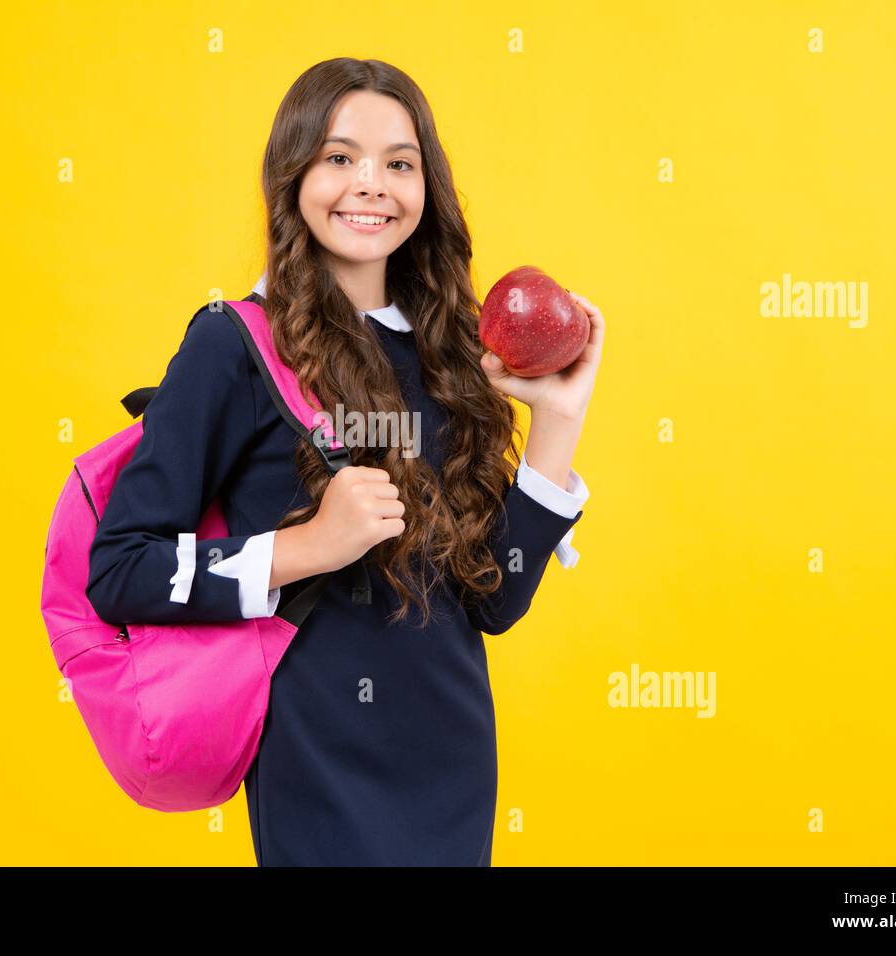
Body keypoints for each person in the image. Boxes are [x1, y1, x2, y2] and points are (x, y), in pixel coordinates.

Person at [86, 57, 606, 866]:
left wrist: (556, 425)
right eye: (339, 158)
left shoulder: (451, 354)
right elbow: (121, 568)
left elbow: (493, 601)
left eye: (399, 163)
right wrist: (306, 549)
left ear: (425, 186)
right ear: (292, 174)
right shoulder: (234, 346)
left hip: (454, 763)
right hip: (317, 760)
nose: (371, 184)